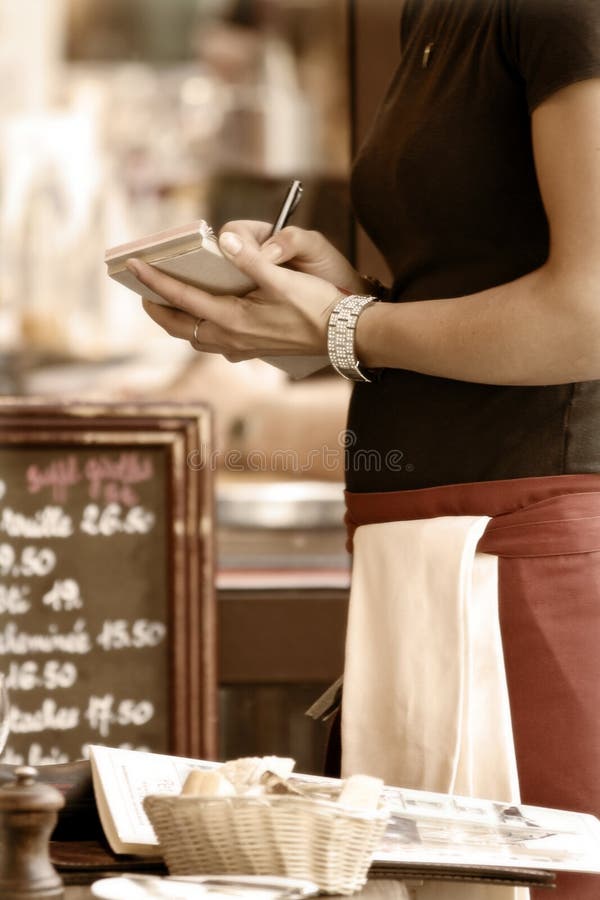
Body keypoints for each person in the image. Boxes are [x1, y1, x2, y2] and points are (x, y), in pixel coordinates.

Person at [127, 1, 600, 897]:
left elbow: (590, 314)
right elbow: (477, 278)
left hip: (534, 541)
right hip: (413, 536)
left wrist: (351, 326)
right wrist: (343, 303)